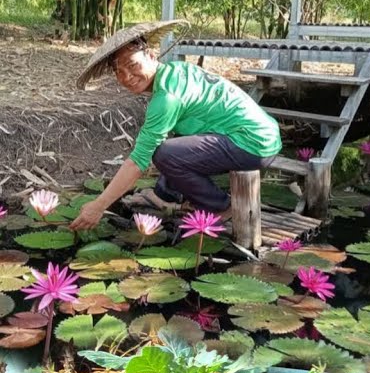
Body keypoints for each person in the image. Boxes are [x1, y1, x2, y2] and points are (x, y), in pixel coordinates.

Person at [68, 20, 282, 231]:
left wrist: (99, 205)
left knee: (163, 154)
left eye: (133, 65)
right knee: (172, 142)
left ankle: (220, 206)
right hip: (266, 135)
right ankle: (167, 194)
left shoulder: (166, 98)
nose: (127, 77)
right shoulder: (176, 70)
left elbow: (138, 162)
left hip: (252, 144)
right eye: (119, 72)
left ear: (151, 56)